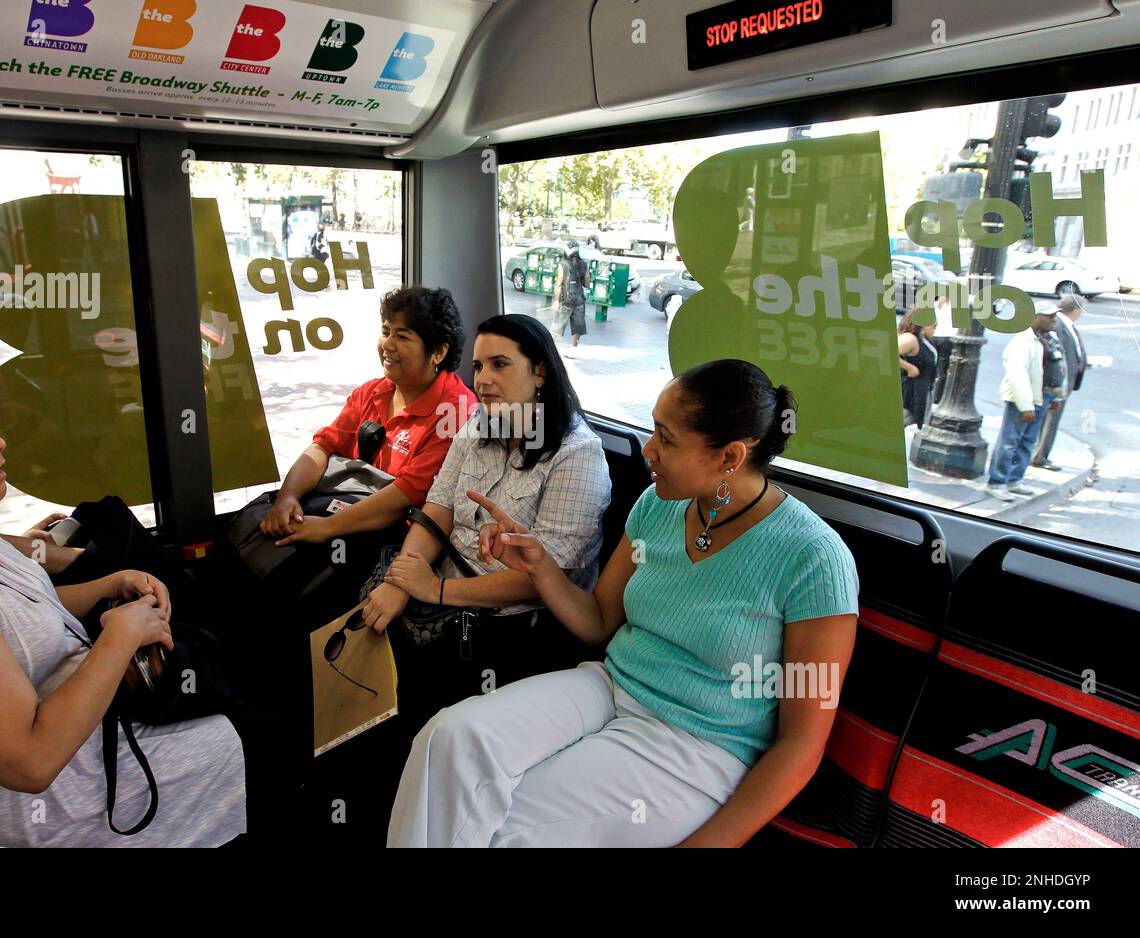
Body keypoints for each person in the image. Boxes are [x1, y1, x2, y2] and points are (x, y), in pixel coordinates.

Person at [387, 359, 859, 847]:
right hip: (610, 687)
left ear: (730, 457)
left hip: (695, 747)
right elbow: (597, 622)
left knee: (511, 829)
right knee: (448, 739)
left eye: (667, 439)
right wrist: (539, 565)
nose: (648, 451)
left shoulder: (813, 559)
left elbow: (801, 745)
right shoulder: (658, 505)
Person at [0, 347, 251, 847]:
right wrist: (118, 639)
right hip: (63, 814)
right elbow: (29, 759)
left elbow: (17, 621)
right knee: (269, 724)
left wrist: (106, 584)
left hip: (107, 751)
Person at [362, 312, 611, 726]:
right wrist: (402, 580)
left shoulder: (576, 455)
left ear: (540, 373)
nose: (482, 379)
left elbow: (544, 575)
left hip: (509, 621)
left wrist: (435, 590)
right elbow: (438, 510)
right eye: (477, 366)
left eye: (500, 364)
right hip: (439, 583)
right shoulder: (479, 425)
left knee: (405, 696)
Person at [259, 286, 478, 625]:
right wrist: (288, 497)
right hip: (349, 516)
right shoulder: (374, 392)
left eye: (403, 336)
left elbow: (407, 494)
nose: (388, 345)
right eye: (386, 331)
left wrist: (328, 528)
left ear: (437, 352)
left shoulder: (456, 413)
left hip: (398, 540)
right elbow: (323, 446)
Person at [986, 310, 1066, 501]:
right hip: (1025, 399)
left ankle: (1015, 479)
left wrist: (1056, 397)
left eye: (1054, 317)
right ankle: (997, 482)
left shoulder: (1049, 338)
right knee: (1010, 441)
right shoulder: (1023, 341)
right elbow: (1017, 374)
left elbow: (1059, 367)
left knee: (1028, 441)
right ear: (1035, 318)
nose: (1053, 320)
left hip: (1044, 395)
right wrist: (1025, 405)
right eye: (1049, 317)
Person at [1032, 293, 1088, 471]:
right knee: (1050, 419)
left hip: (1064, 382)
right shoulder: (1058, 325)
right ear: (1076, 309)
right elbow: (1056, 355)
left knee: (1051, 419)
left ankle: (1040, 454)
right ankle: (1040, 455)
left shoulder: (1066, 325)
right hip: (1057, 384)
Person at [898, 309, 937, 429]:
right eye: (933, 325)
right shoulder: (910, 339)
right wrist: (909, 368)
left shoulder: (923, 339)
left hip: (921, 391)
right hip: (910, 393)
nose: (935, 328)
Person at [552, 242, 591, 357]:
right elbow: (587, 284)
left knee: (557, 326)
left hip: (566, 299)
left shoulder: (562, 264)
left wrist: (556, 301)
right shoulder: (584, 264)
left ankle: (548, 349)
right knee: (578, 326)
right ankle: (573, 350)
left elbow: (559, 284)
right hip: (579, 299)